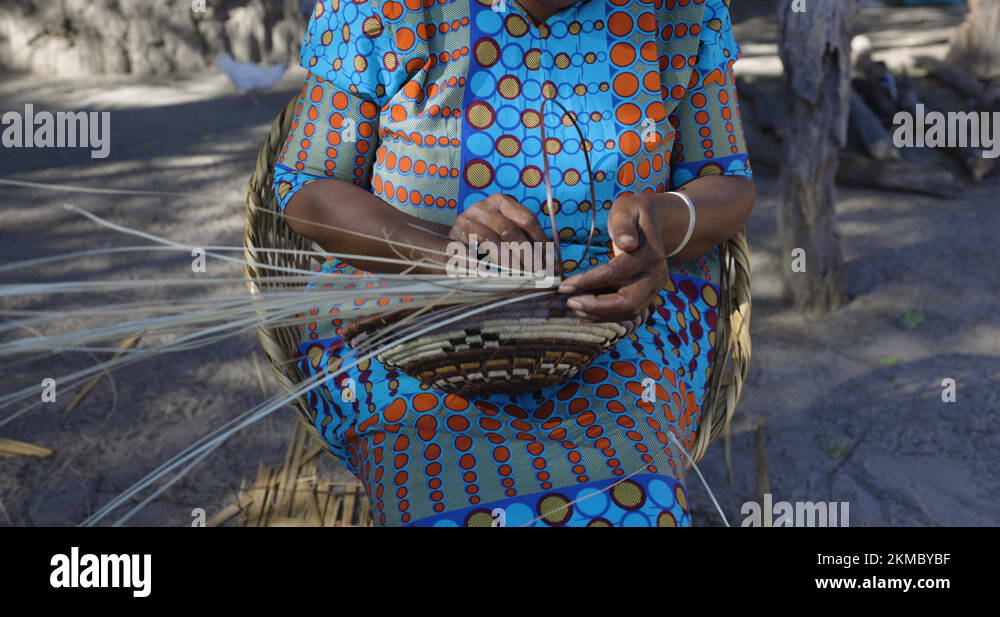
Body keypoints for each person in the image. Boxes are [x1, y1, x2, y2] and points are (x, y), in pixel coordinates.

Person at [272, 0, 755, 526]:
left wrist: (663, 219)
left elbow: (727, 179)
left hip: (624, 315)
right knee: (442, 482)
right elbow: (308, 185)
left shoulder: (681, 10)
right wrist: (445, 256)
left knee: (631, 502)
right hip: (407, 308)